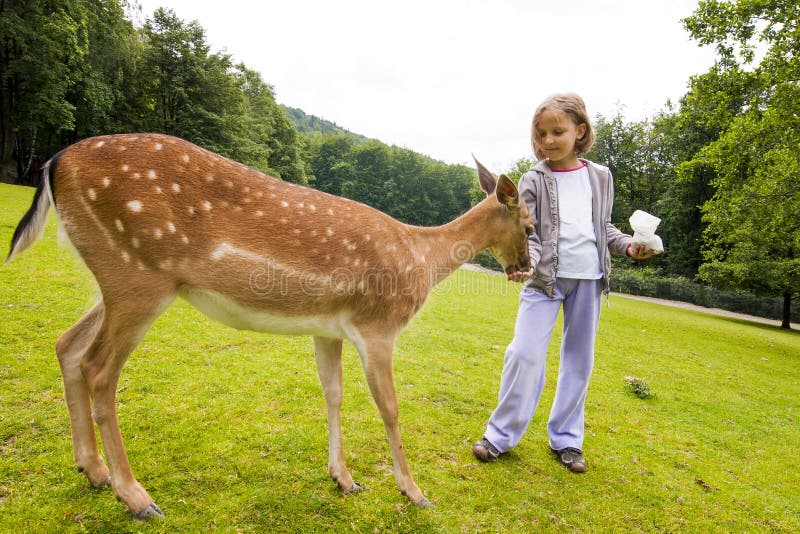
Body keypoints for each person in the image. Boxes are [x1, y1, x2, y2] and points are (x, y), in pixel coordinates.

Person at [472, 93, 654, 473]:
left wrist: (628, 247)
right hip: (543, 282)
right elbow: (530, 234)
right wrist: (528, 264)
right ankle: (500, 435)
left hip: (589, 280)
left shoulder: (600, 176)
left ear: (580, 131)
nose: (548, 140)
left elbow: (603, 227)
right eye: (541, 133)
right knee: (523, 354)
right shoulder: (532, 179)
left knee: (578, 363)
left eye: (558, 131)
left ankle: (567, 440)